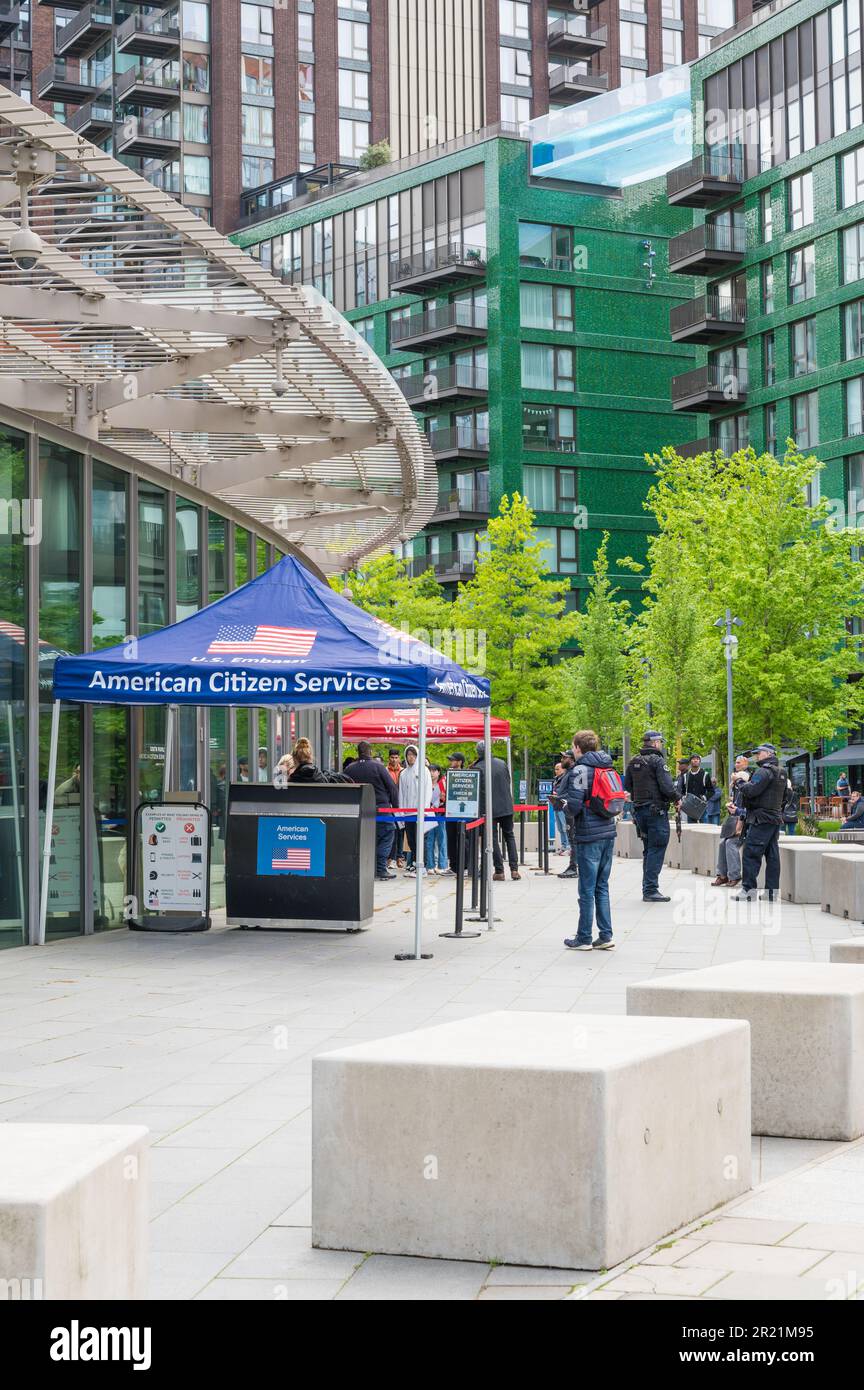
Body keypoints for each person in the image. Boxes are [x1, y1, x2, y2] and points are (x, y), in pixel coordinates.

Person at [562, 731, 618, 952]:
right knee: (602, 887)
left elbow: (574, 806)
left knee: (586, 889)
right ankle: (605, 935)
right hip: (608, 832)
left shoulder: (581, 770)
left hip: (589, 835)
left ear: (577, 747)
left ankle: (584, 937)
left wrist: (562, 805)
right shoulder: (608, 767)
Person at [623, 730, 681, 902]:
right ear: (655, 743)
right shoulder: (658, 761)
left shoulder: (634, 761)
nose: (661, 745)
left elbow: (628, 786)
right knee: (656, 849)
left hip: (639, 811)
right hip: (655, 811)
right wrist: (677, 798)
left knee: (648, 849)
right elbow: (667, 787)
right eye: (660, 742)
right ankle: (650, 890)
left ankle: (647, 888)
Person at [733, 743, 785, 901]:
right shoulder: (782, 772)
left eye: (758, 753)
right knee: (772, 856)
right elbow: (786, 797)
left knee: (750, 853)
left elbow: (751, 791)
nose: (756, 756)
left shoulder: (763, 771)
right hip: (774, 818)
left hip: (761, 819)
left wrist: (739, 781)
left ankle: (748, 891)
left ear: (768, 754)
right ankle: (771, 892)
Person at [343, 739, 399, 880]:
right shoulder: (378, 767)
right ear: (370, 752)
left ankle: (365, 868)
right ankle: (380, 868)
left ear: (358, 752)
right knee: (387, 835)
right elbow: (392, 787)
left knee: (365, 839)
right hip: (381, 808)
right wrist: (396, 806)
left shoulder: (349, 769)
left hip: (359, 808)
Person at [472, 741, 520, 882]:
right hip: (506, 805)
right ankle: (514, 869)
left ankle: (499, 871)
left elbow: (477, 792)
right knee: (509, 836)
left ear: (478, 753)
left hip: (489, 808)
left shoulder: (477, 767)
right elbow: (508, 781)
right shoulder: (502, 763)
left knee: (492, 839)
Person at [712, 755, 750, 886]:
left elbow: (747, 810)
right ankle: (722, 875)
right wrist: (731, 805)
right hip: (736, 820)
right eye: (736, 762)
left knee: (730, 843)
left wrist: (738, 811)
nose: (736, 764)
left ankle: (734, 875)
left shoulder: (747, 783)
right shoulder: (736, 786)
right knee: (722, 843)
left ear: (746, 764)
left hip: (746, 823)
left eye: (739, 762)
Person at [398, 744, 434, 874]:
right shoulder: (403, 774)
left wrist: (424, 810)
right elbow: (401, 794)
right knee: (411, 840)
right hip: (408, 813)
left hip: (420, 812)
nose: (411, 757)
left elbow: (428, 791)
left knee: (421, 839)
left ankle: (422, 865)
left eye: (413, 755)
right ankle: (414, 863)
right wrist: (401, 812)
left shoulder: (424, 771)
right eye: (408, 755)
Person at [554, 751, 578, 879]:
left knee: (573, 839)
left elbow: (575, 793)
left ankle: (574, 867)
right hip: (566, 809)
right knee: (572, 838)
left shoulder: (574, 773)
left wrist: (561, 798)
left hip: (570, 809)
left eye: (565, 757)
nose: (562, 759)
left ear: (572, 759)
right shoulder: (568, 772)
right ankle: (573, 866)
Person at [443, 751, 467, 876]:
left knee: (463, 839)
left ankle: (465, 865)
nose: (451, 762)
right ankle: (453, 865)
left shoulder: (466, 775)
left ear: (460, 762)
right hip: (450, 810)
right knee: (451, 839)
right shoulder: (447, 774)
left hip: (462, 811)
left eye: (453, 760)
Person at [678, 754, 714, 823]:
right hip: (690, 806)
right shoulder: (686, 776)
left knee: (704, 828)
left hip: (701, 806)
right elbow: (682, 791)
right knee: (691, 828)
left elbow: (711, 791)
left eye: (697, 759)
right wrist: (683, 798)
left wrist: (704, 797)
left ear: (699, 762)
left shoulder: (705, 774)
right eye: (693, 759)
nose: (695, 760)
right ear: (690, 762)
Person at [428, 764, 448, 873]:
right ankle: (430, 865)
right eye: (430, 770)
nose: (432, 773)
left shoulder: (443, 784)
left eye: (434, 771)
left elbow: (445, 799)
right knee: (429, 839)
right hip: (429, 814)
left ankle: (442, 865)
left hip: (440, 813)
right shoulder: (425, 783)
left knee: (442, 838)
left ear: (438, 772)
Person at [552, 761, 570, 854]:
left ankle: (568, 846)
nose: (556, 771)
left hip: (563, 806)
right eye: (555, 769)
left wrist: (558, 795)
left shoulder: (565, 778)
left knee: (565, 827)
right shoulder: (556, 779)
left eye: (557, 769)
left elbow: (567, 792)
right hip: (556, 805)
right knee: (560, 828)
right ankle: (563, 846)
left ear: (563, 769)